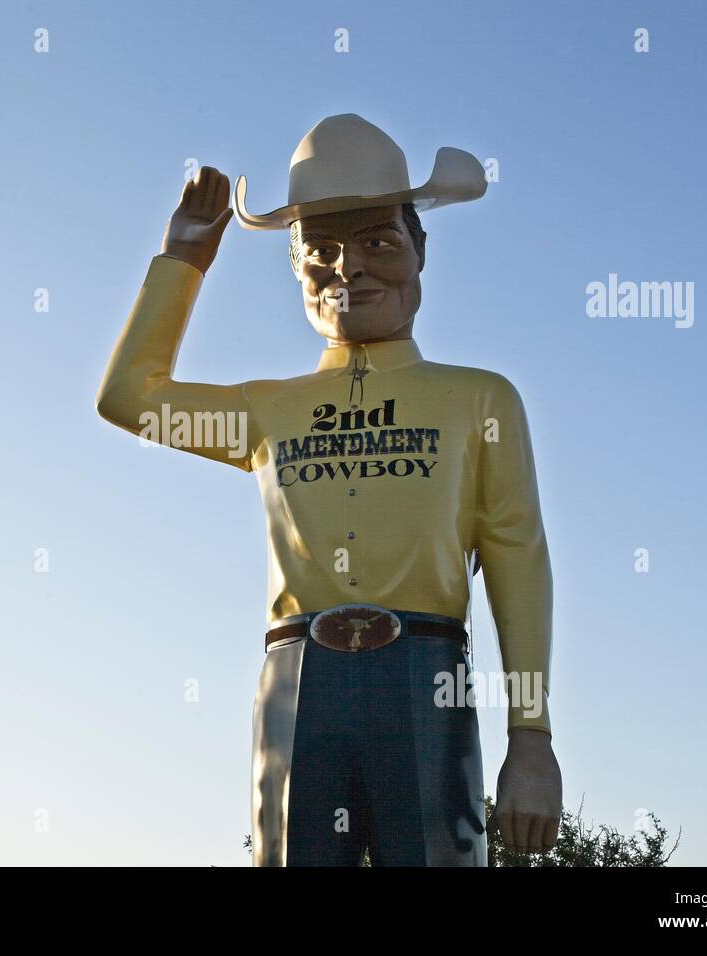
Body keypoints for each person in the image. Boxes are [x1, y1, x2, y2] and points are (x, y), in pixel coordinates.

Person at [96, 114, 562, 866]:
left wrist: (531, 740)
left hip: (427, 675)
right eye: (321, 251)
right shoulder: (264, 410)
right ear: (296, 270)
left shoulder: (482, 400)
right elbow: (130, 399)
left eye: (379, 242)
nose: (350, 268)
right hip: (295, 678)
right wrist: (183, 262)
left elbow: (519, 562)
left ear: (420, 252)